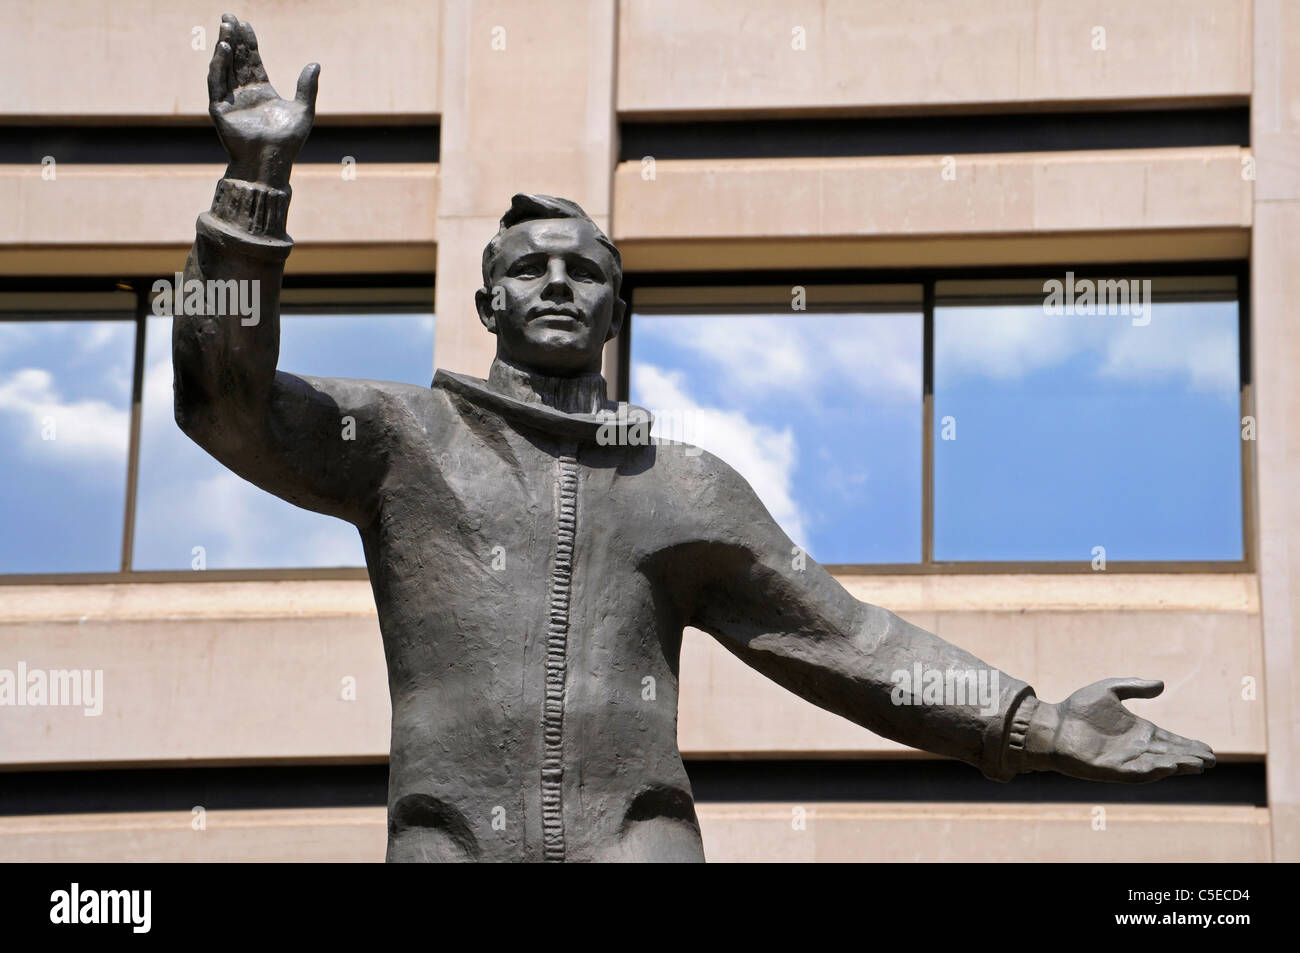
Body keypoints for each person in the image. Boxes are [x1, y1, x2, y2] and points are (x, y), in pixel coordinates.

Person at [175, 15, 1216, 862]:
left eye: (582, 271)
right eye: (529, 268)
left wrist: (1030, 723)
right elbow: (223, 401)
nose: (555, 283)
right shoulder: (405, 440)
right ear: (487, 302)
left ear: (613, 314)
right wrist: (253, 183)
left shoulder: (681, 485)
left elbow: (846, 639)